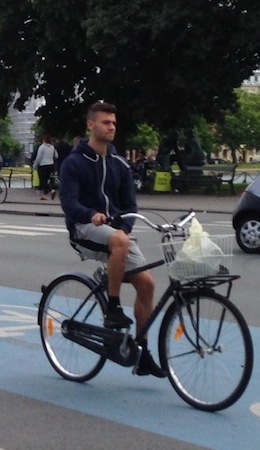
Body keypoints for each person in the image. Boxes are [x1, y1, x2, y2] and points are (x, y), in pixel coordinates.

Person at [59, 101, 164, 378]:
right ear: (91, 125)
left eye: (114, 123)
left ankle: (141, 353)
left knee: (147, 285)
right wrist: (90, 214)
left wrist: (125, 227)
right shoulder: (74, 163)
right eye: (106, 122)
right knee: (118, 241)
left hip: (117, 235)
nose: (112, 127)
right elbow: (69, 204)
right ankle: (113, 308)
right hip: (84, 229)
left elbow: (130, 206)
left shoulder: (119, 164)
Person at [33, 135, 59, 200]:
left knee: (43, 180)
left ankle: (51, 190)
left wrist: (35, 165)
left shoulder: (42, 147)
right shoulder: (52, 147)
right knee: (47, 179)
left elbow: (38, 157)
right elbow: (56, 156)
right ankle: (45, 195)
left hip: (43, 165)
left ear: (44, 140)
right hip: (51, 165)